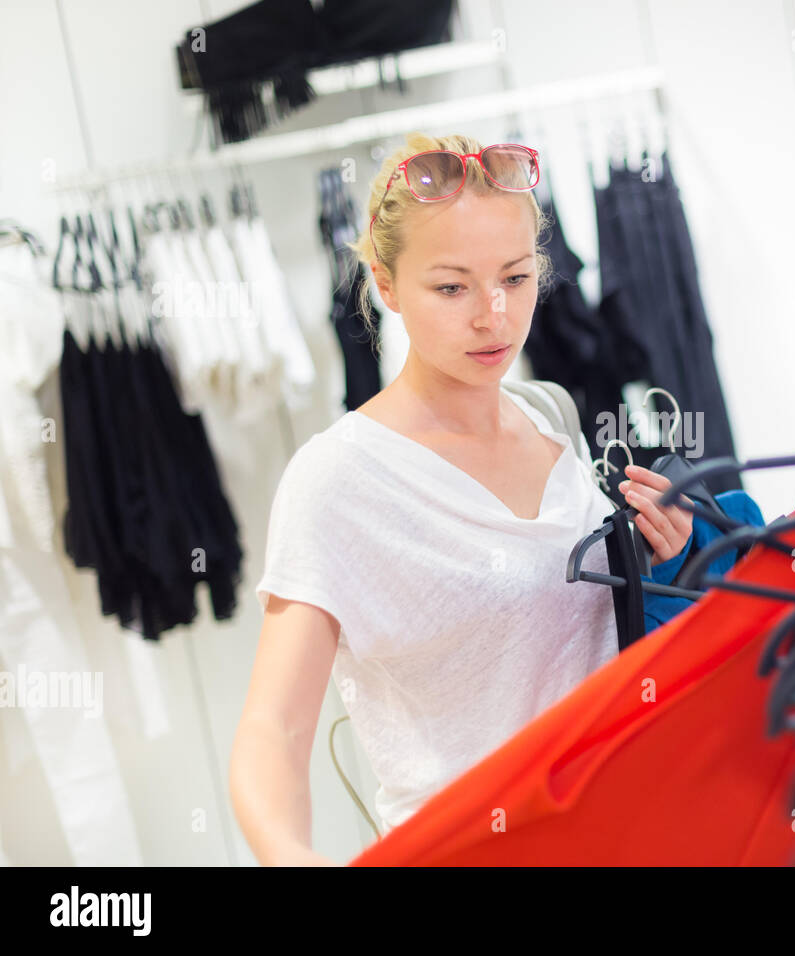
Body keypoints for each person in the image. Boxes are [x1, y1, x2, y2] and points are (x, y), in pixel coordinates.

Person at [229, 132, 693, 866]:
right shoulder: (338, 482)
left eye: (515, 277)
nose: (494, 315)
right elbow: (273, 730)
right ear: (385, 284)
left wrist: (665, 553)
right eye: (452, 287)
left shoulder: (552, 416)